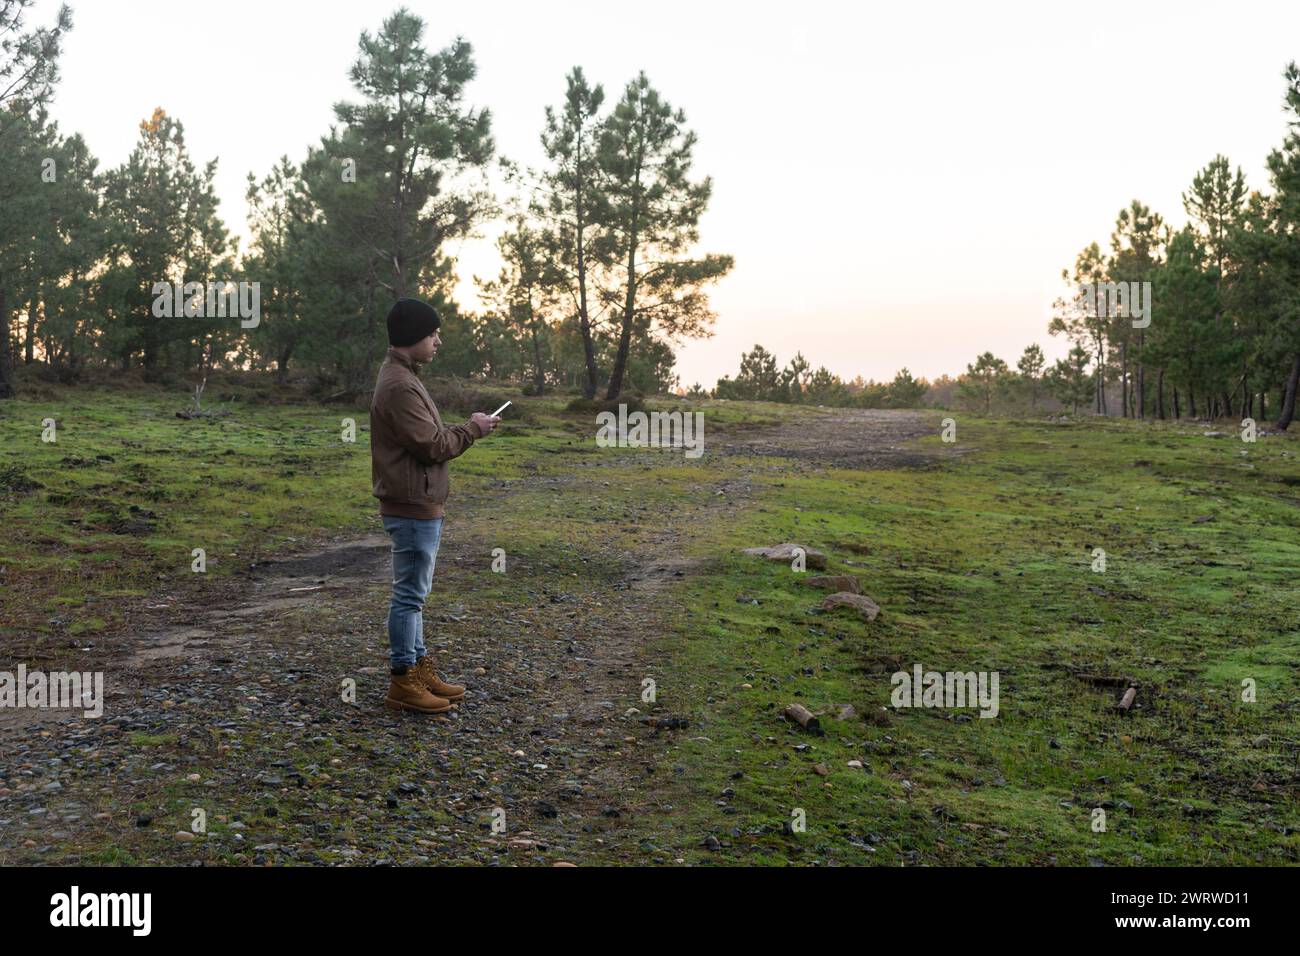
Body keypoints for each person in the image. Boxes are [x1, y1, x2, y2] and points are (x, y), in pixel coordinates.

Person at [369, 298, 499, 713]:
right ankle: (403, 681)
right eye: (432, 334)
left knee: (416, 594)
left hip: (418, 501)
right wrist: (473, 430)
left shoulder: (405, 376)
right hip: (410, 504)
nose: (438, 341)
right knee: (409, 595)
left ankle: (418, 667)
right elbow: (432, 445)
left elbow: (428, 438)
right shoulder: (399, 384)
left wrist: (467, 428)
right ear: (413, 337)